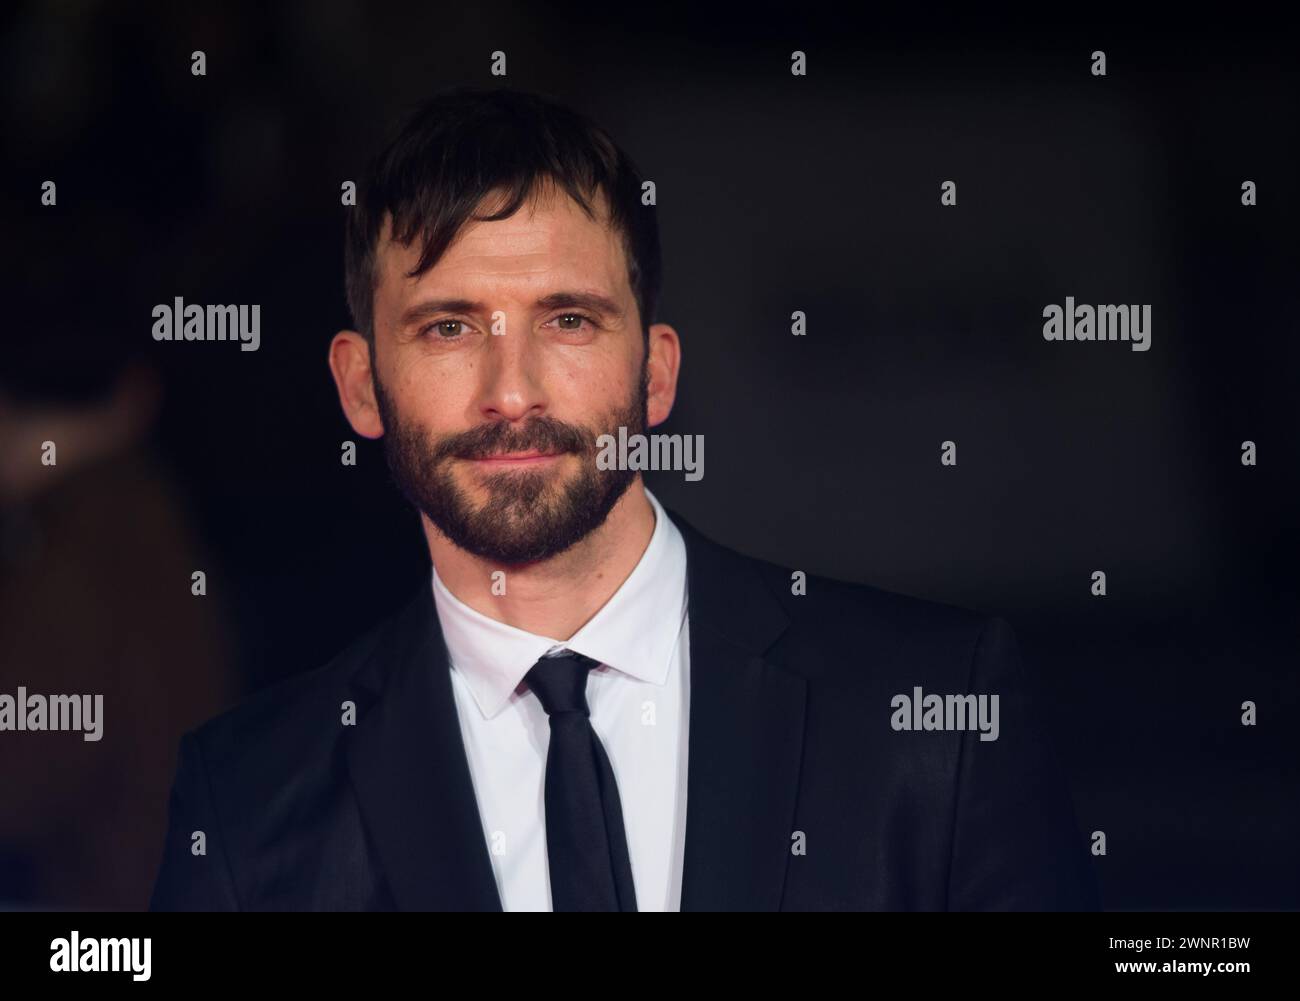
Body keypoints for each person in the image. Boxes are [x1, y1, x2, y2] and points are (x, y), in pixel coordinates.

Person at [150, 87, 1099, 911]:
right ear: (361, 387)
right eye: (447, 326)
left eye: (568, 320)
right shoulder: (248, 799)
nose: (511, 390)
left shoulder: (939, 716)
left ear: (655, 373)